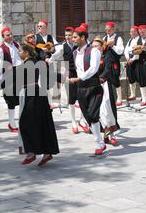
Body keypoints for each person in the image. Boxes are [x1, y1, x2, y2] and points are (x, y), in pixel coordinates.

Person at [18, 44, 59, 167]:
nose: (19, 52)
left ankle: (31, 153)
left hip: (33, 95)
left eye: (20, 50)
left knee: (25, 123)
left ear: (26, 52)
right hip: (39, 95)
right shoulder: (36, 62)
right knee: (42, 122)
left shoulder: (28, 63)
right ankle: (46, 153)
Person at [69, 26, 106, 156]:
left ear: (83, 38)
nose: (72, 39)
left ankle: (100, 143)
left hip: (94, 87)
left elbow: (94, 68)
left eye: (75, 37)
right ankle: (101, 141)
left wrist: (80, 78)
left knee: (93, 114)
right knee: (89, 117)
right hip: (80, 88)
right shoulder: (74, 53)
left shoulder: (94, 51)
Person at [47, 27, 89, 134]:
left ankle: (82, 121)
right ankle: (73, 122)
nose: (68, 37)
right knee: (72, 99)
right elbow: (54, 56)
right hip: (69, 74)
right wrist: (48, 60)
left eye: (70, 35)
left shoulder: (78, 46)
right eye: (66, 35)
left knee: (83, 98)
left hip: (80, 73)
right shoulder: (62, 47)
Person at [0, 27, 23, 132]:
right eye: (7, 35)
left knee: (18, 99)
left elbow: (19, 59)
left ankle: (18, 122)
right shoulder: (1, 50)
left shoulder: (15, 45)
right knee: (11, 101)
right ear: (3, 37)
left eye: (10, 34)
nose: (10, 36)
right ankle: (12, 123)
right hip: (7, 77)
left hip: (17, 75)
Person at [93, 37, 120, 146]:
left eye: (97, 46)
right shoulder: (92, 56)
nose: (95, 48)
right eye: (93, 46)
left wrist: (101, 78)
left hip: (105, 84)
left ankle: (112, 134)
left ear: (102, 46)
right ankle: (105, 134)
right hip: (95, 84)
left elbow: (108, 69)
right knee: (100, 110)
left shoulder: (107, 54)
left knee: (108, 108)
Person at [102, 22, 124, 106]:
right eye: (106, 30)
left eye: (109, 30)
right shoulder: (104, 38)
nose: (108, 31)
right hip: (106, 62)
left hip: (114, 61)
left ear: (113, 29)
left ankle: (119, 98)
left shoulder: (118, 38)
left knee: (115, 79)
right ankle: (108, 98)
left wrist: (112, 46)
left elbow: (120, 50)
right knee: (106, 79)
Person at [124, 26, 140, 101]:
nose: (130, 33)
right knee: (130, 77)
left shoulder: (139, 40)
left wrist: (133, 59)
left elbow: (138, 51)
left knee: (140, 78)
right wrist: (127, 58)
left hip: (137, 61)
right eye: (130, 31)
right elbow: (126, 50)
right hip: (129, 60)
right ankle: (132, 94)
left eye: (132, 31)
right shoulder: (130, 40)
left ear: (136, 32)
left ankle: (142, 95)